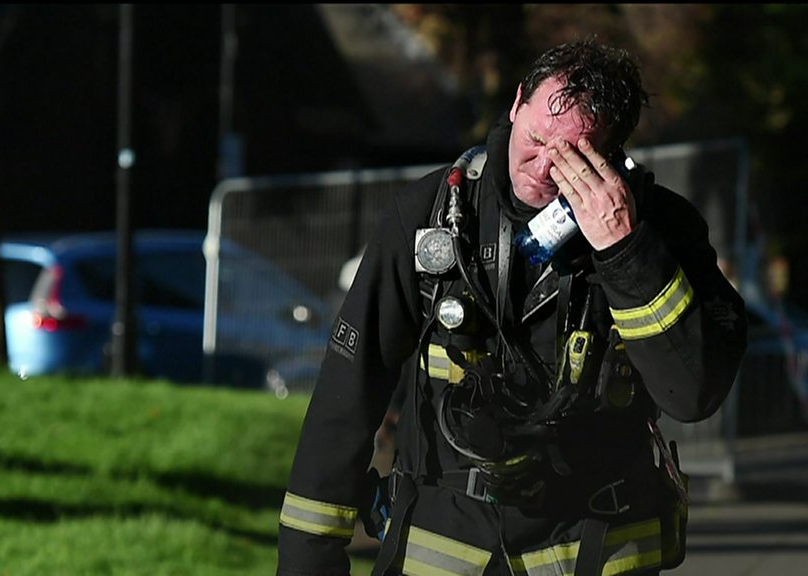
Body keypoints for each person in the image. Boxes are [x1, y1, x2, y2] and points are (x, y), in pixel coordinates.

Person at [278, 37, 747, 576]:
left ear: (612, 152)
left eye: (570, 156)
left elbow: (692, 393)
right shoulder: (429, 217)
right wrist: (308, 559)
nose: (543, 166)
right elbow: (346, 394)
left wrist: (625, 251)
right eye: (537, 138)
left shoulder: (661, 230)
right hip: (444, 549)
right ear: (518, 102)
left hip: (595, 549)